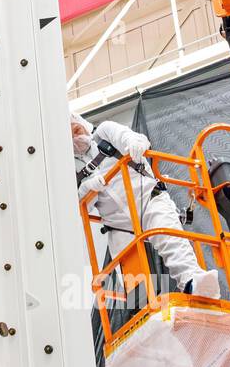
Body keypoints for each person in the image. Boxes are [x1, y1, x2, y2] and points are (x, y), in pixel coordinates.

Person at [72, 112, 220, 299]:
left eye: (76, 130)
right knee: (131, 276)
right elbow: (77, 205)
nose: (76, 138)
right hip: (118, 225)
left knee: (171, 239)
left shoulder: (104, 131)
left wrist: (136, 144)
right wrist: (88, 187)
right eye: (70, 138)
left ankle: (195, 282)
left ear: (82, 123)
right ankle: (143, 308)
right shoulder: (72, 167)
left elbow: (128, 137)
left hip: (148, 200)